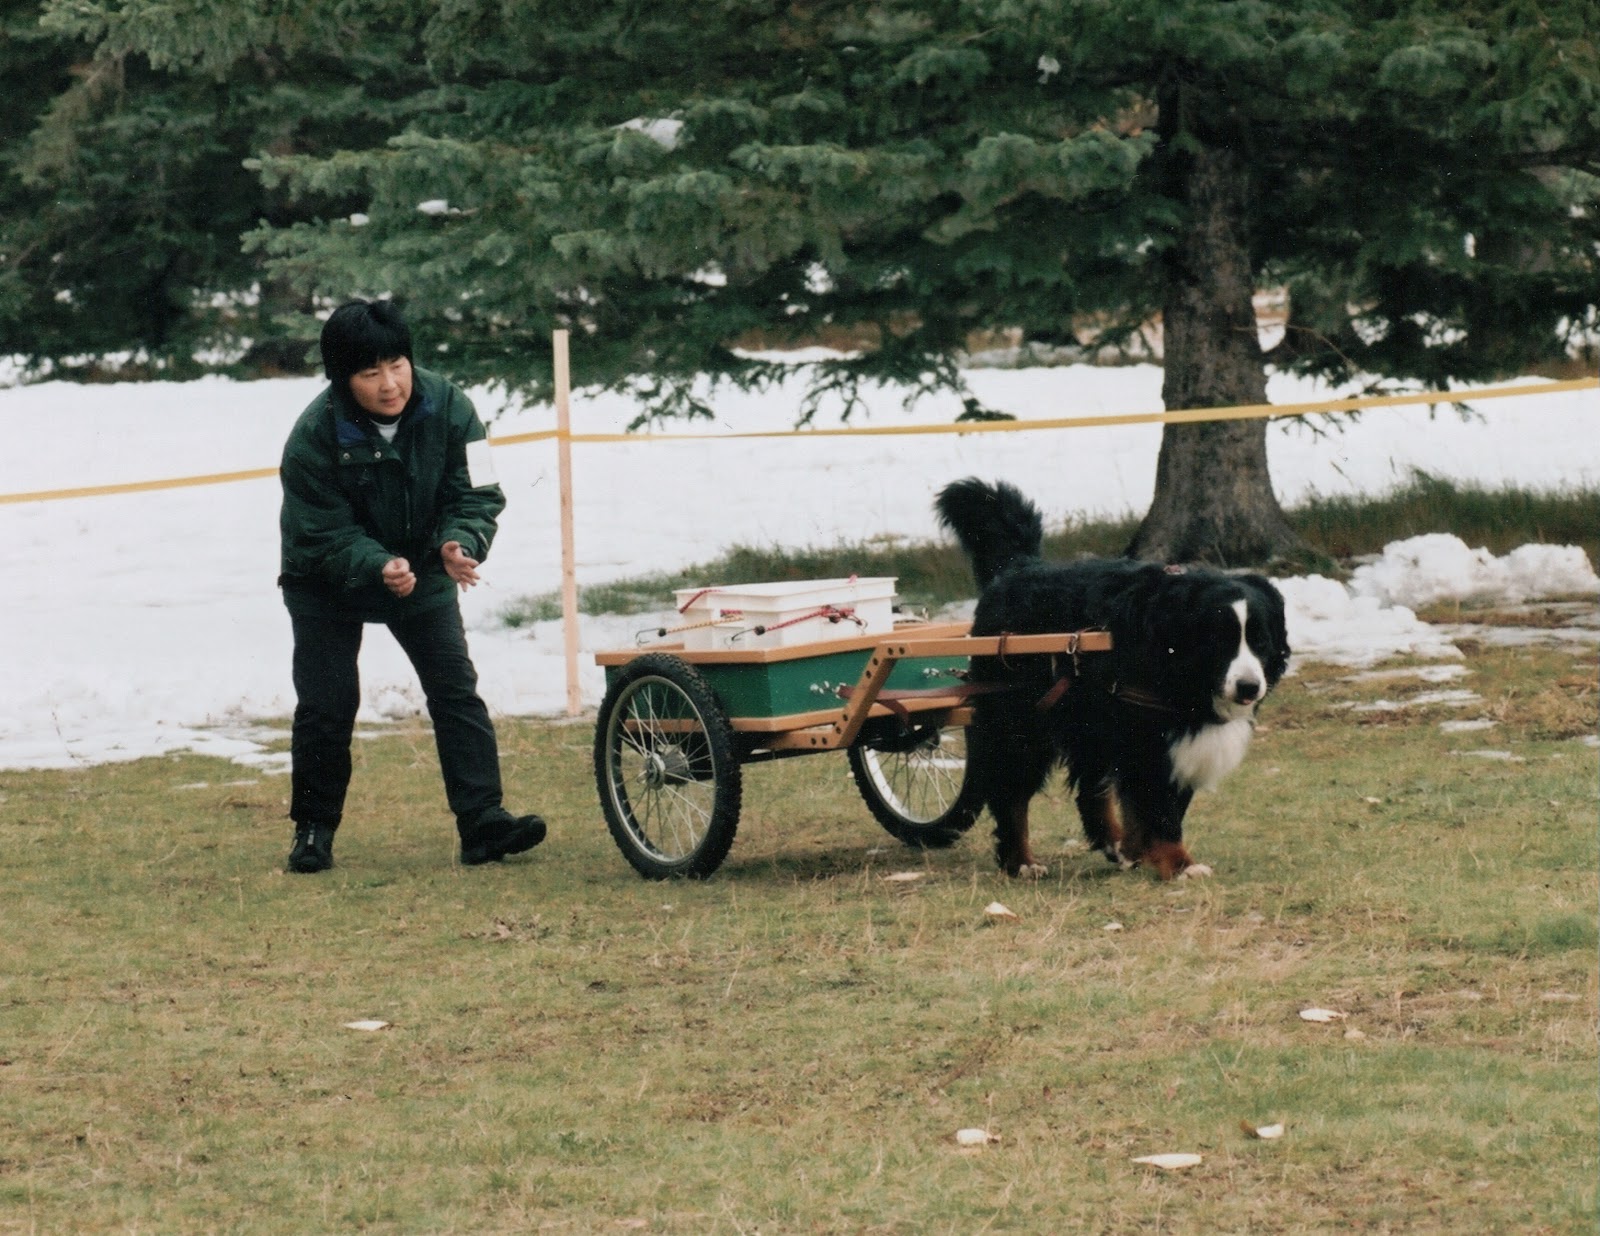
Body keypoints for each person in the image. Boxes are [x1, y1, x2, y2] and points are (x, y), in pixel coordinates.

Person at [276, 298, 545, 872]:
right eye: (369, 372)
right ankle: (313, 830)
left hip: (422, 566)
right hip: (326, 578)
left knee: (455, 689)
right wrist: (378, 563)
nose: (389, 384)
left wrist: (459, 543)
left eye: (396, 365)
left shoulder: (452, 406)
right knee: (328, 705)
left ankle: (483, 822)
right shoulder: (312, 435)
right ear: (342, 378)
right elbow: (321, 531)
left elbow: (478, 491)